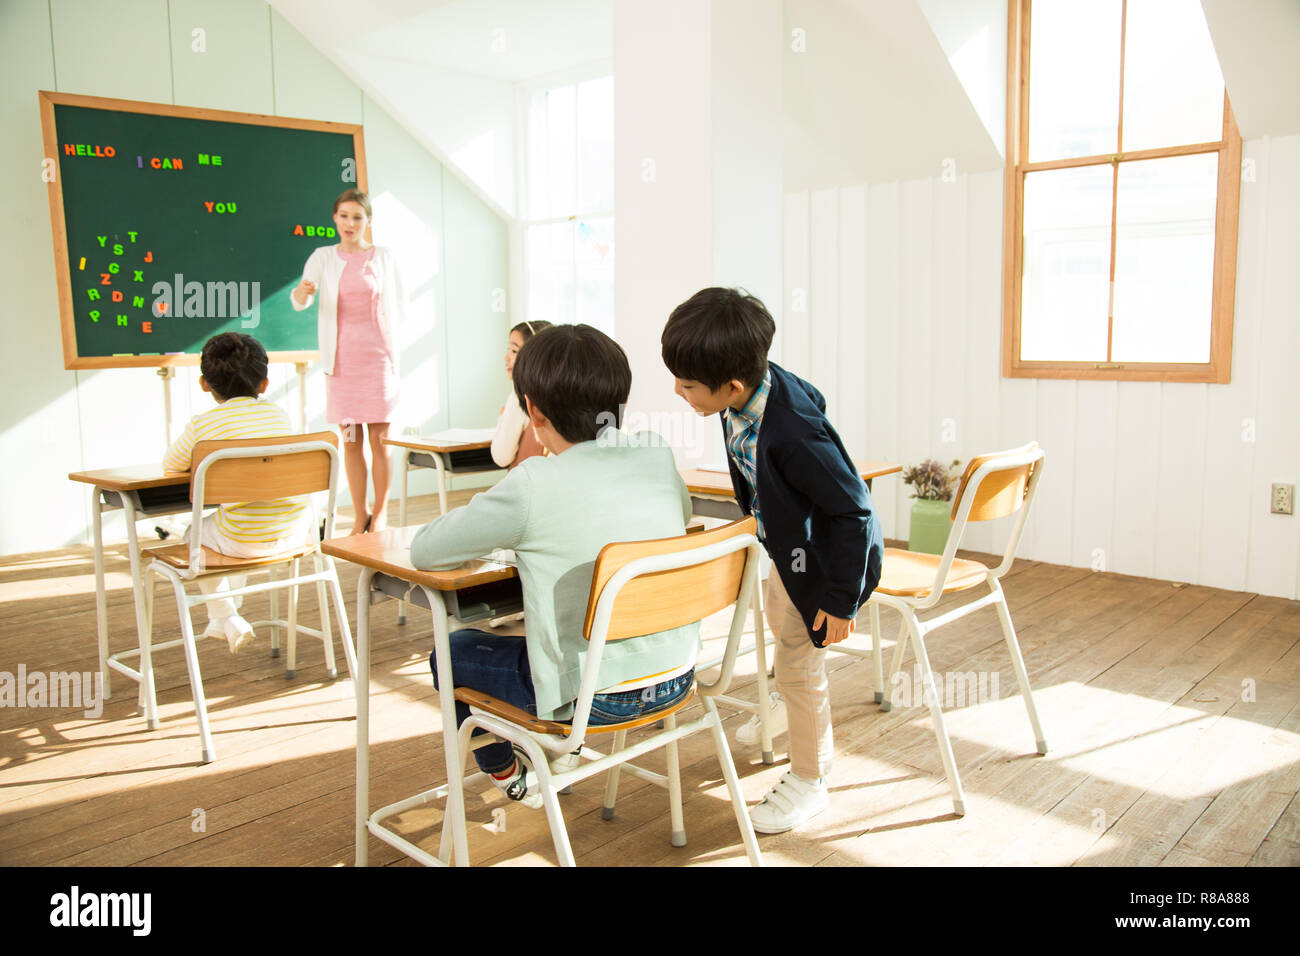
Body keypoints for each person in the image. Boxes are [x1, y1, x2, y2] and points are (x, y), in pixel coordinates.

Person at [411, 324, 699, 807]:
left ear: (532, 410)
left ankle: (509, 774)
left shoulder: (533, 484)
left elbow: (426, 552)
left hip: (593, 699)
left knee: (453, 651)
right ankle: (554, 756)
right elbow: (681, 517)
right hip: (676, 675)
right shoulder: (654, 451)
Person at [661, 287, 884, 833]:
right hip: (793, 553)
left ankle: (810, 778)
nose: (677, 391)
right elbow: (814, 395)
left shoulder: (793, 435)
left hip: (830, 564)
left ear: (732, 385)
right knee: (787, 645)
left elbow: (854, 511)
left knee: (798, 662)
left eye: (687, 385)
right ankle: (797, 709)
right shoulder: (750, 388)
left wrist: (839, 599)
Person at [162, 333, 311, 653]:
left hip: (241, 539)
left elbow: (171, 465)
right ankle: (224, 617)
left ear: (204, 383)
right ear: (265, 384)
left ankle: (226, 614)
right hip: (294, 534)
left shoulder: (203, 426)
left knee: (194, 535)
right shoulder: (279, 416)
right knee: (231, 518)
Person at [291, 189, 405, 534]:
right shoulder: (323, 257)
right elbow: (301, 296)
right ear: (335, 218)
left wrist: (396, 353)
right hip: (342, 365)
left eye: (357, 217)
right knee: (352, 442)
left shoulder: (382, 257)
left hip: (378, 362)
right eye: (344, 216)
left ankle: (382, 512)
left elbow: (399, 306)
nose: (350, 223)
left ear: (368, 220)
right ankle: (360, 514)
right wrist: (303, 293)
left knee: (380, 441)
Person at [490, 320, 552, 469]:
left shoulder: (520, 395)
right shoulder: (561, 391)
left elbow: (501, 456)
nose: (506, 357)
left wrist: (502, 419)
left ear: (532, 355)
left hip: (527, 486)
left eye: (514, 351)